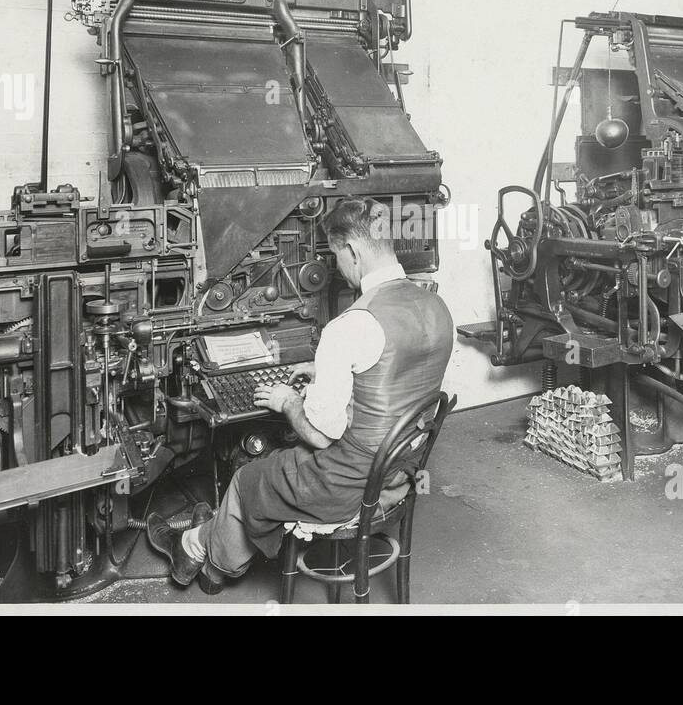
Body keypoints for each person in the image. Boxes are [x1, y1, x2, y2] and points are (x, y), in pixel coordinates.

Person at [146, 197, 455, 591]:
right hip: (398, 473)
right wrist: (328, 371)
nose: (339, 271)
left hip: (347, 487)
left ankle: (202, 557)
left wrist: (287, 400)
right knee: (274, 467)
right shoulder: (435, 305)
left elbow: (320, 435)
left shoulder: (350, 326)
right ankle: (203, 542)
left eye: (336, 256)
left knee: (246, 478)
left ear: (353, 250)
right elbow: (399, 378)